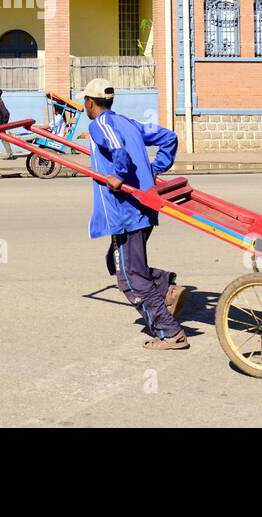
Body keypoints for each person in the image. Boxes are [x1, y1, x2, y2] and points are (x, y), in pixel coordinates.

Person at [81, 79, 187, 350]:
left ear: (89, 103)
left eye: (85, 103)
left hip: (126, 211)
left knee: (129, 277)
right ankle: (165, 288)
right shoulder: (129, 122)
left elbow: (118, 150)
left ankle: (168, 332)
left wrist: (118, 173)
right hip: (144, 207)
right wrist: (155, 168)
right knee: (118, 262)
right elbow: (169, 137)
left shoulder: (101, 124)